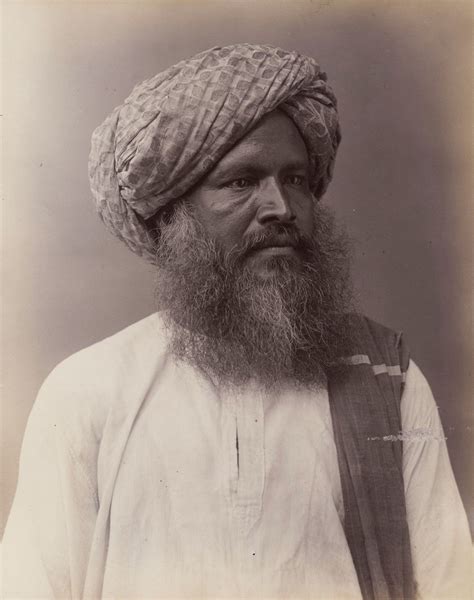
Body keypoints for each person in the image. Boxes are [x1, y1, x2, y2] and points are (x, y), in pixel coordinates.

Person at [2, 44, 471, 599]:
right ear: (175, 213)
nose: (281, 207)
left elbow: (450, 583)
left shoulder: (387, 380)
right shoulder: (86, 393)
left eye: (295, 179)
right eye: (242, 182)